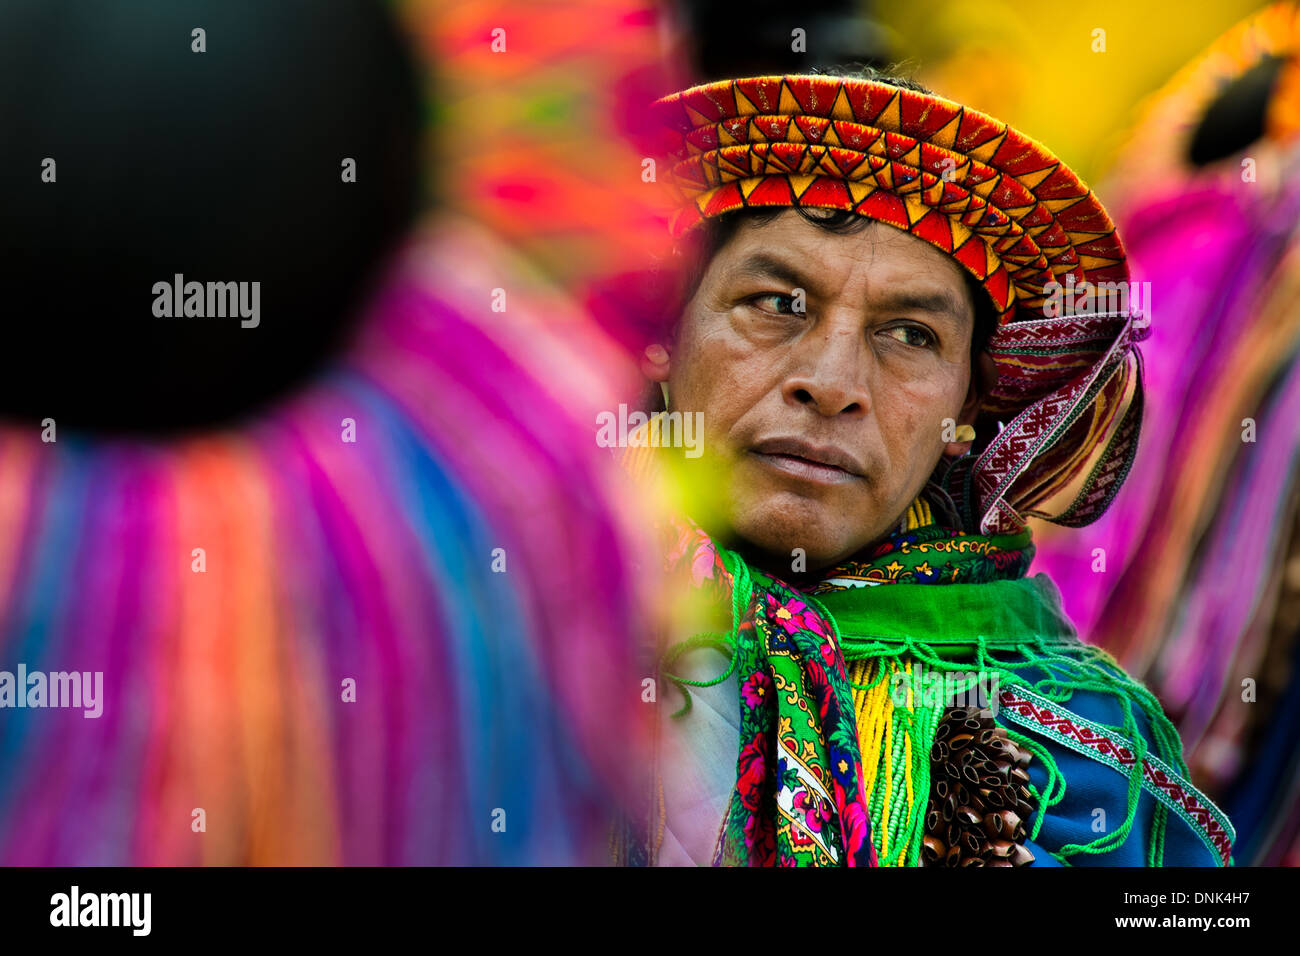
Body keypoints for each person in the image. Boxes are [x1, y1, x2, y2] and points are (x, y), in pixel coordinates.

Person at [615, 68, 1235, 866]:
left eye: (910, 334)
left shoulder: (1066, 764)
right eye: (777, 303)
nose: (833, 384)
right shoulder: (510, 621)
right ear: (663, 329)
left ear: (967, 408)